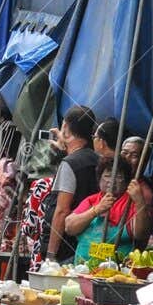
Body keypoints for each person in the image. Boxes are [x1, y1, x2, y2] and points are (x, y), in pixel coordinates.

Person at [63, 156, 151, 265]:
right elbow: (69, 227)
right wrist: (95, 210)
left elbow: (141, 234)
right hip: (82, 267)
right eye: (107, 176)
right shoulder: (91, 201)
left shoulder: (130, 203)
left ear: (126, 182)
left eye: (118, 177)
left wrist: (139, 201)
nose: (111, 181)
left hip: (117, 268)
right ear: (99, 179)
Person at [43, 105, 101, 264]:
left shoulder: (70, 164)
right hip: (88, 241)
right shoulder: (98, 160)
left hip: (66, 246)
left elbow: (62, 211)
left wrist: (51, 254)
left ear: (66, 128)